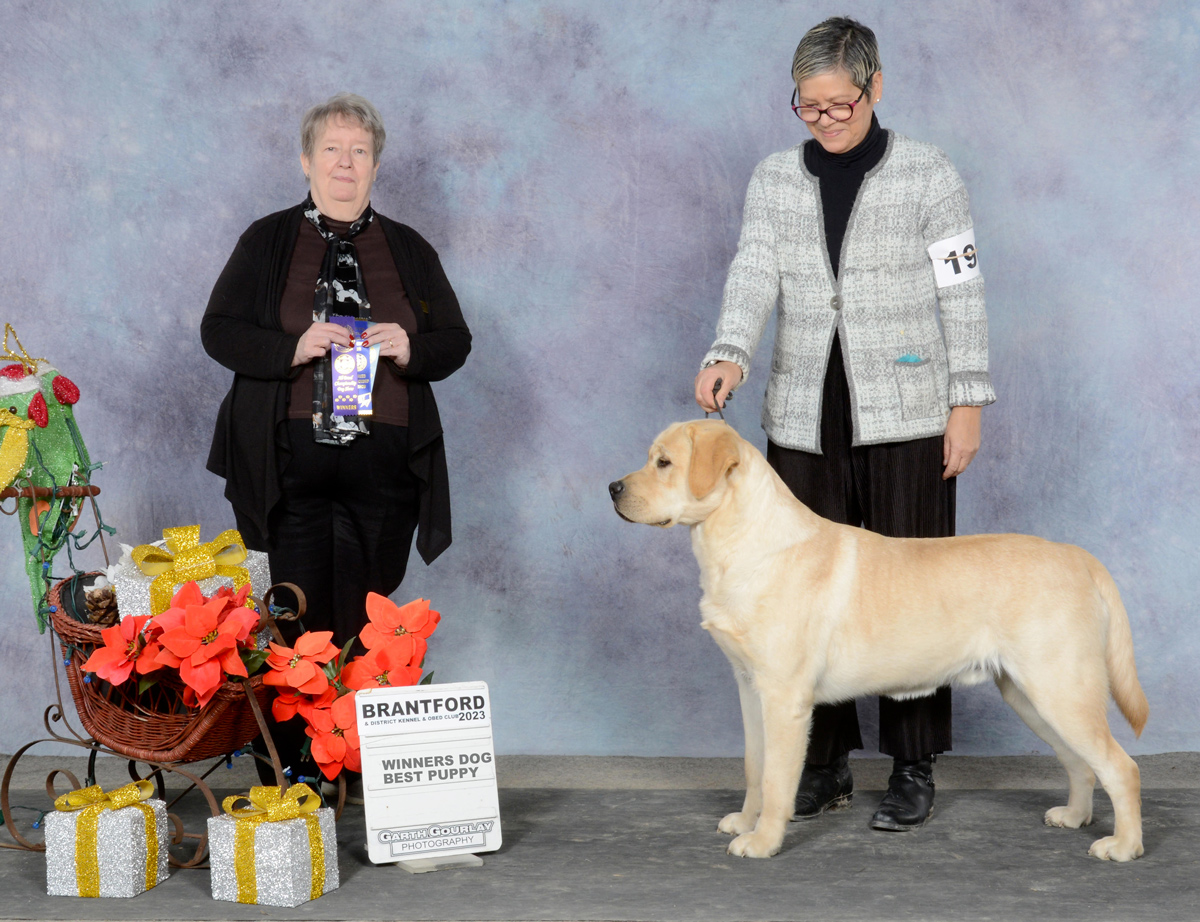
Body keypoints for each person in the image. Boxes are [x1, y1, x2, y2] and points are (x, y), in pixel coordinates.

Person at [694, 18, 995, 831]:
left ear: (876, 87)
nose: (825, 120)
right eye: (808, 106)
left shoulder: (932, 174)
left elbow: (960, 292)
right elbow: (753, 271)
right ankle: (820, 767)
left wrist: (966, 399)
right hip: (802, 411)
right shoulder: (772, 180)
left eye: (840, 105)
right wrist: (729, 350)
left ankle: (912, 766)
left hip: (909, 412)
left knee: (915, 594)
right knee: (796, 598)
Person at [202, 93, 471, 779]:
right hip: (288, 455)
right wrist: (292, 348)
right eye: (332, 149)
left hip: (384, 459)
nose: (345, 163)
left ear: (376, 163)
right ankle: (290, 776)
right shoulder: (266, 240)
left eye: (359, 151)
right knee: (293, 618)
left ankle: (358, 770)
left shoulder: (409, 249)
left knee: (371, 613)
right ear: (306, 160)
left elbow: (455, 342)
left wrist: (410, 345)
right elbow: (220, 331)